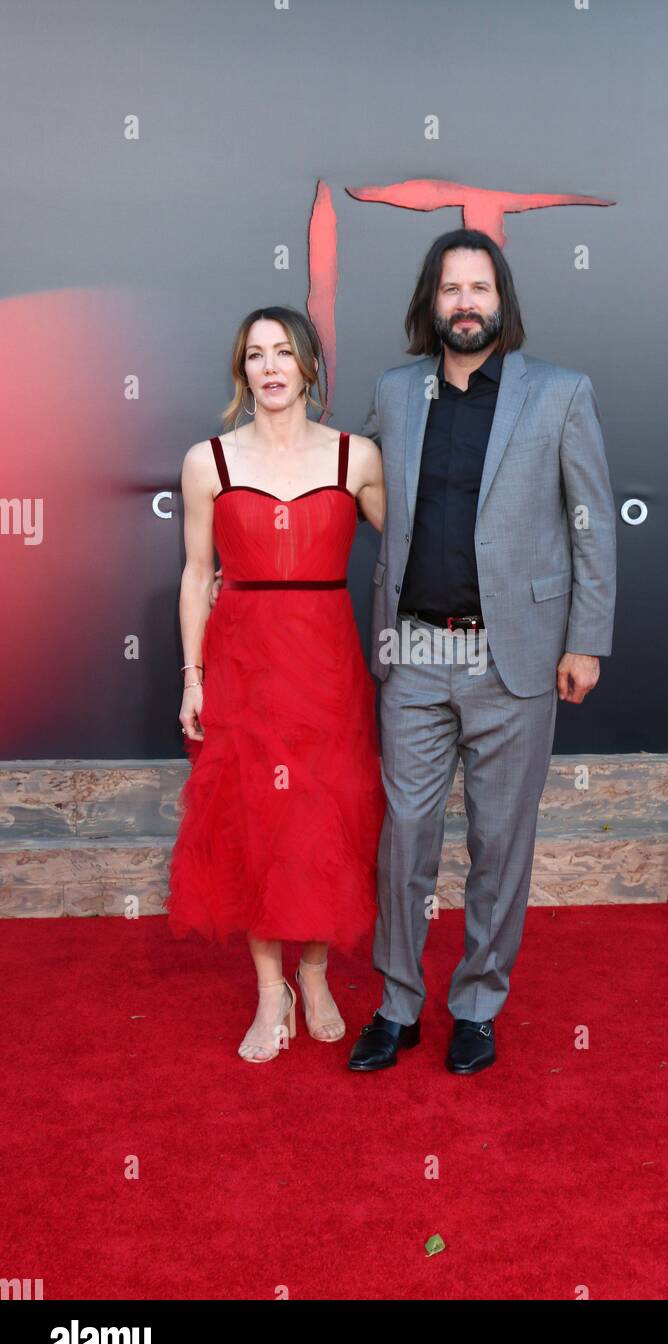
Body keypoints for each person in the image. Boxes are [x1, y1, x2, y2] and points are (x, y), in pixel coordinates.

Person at [347, 229, 617, 1076]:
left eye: (481, 289)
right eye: (451, 289)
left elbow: (593, 525)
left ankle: (478, 1004)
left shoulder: (560, 394)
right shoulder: (395, 394)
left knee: (501, 843)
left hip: (519, 658)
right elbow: (350, 487)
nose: (466, 303)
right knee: (406, 838)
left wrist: (587, 642)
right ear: (432, 303)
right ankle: (397, 1004)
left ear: (503, 301)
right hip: (415, 652)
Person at [163, 306, 386, 1062]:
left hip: (326, 664)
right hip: (241, 664)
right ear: (242, 371)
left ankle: (316, 975)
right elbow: (197, 576)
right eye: (255, 355)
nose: (270, 367)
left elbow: (421, 546)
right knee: (254, 824)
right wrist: (192, 677)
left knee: (326, 820)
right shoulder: (209, 462)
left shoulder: (357, 457)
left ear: (309, 365)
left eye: (284, 352)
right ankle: (270, 991)